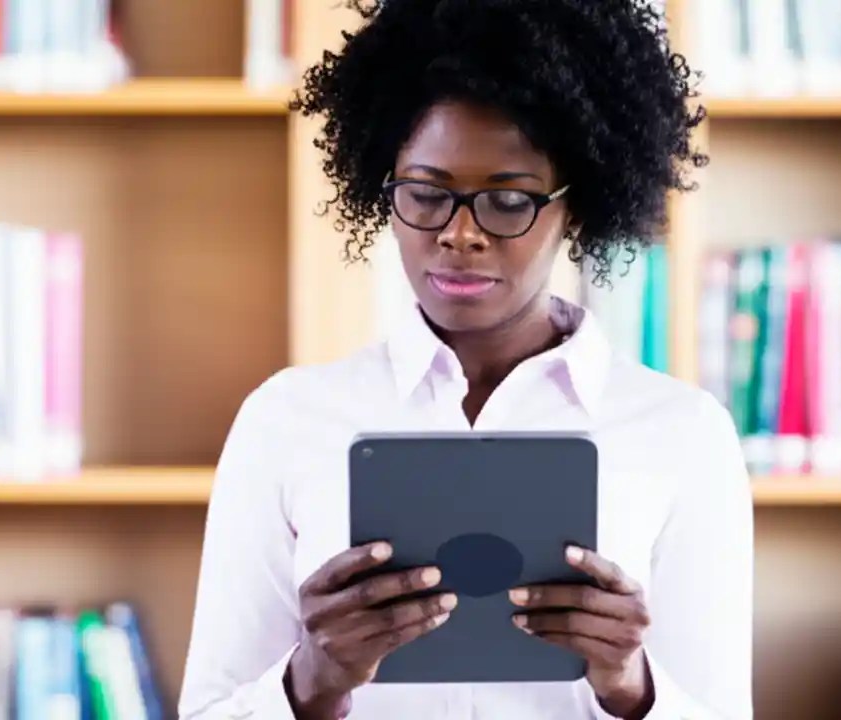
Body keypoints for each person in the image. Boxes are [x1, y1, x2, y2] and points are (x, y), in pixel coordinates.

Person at [178, 1, 752, 718]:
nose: (460, 234)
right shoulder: (287, 421)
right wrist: (314, 677)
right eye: (425, 195)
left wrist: (631, 686)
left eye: (508, 202)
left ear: (577, 205)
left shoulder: (683, 434)